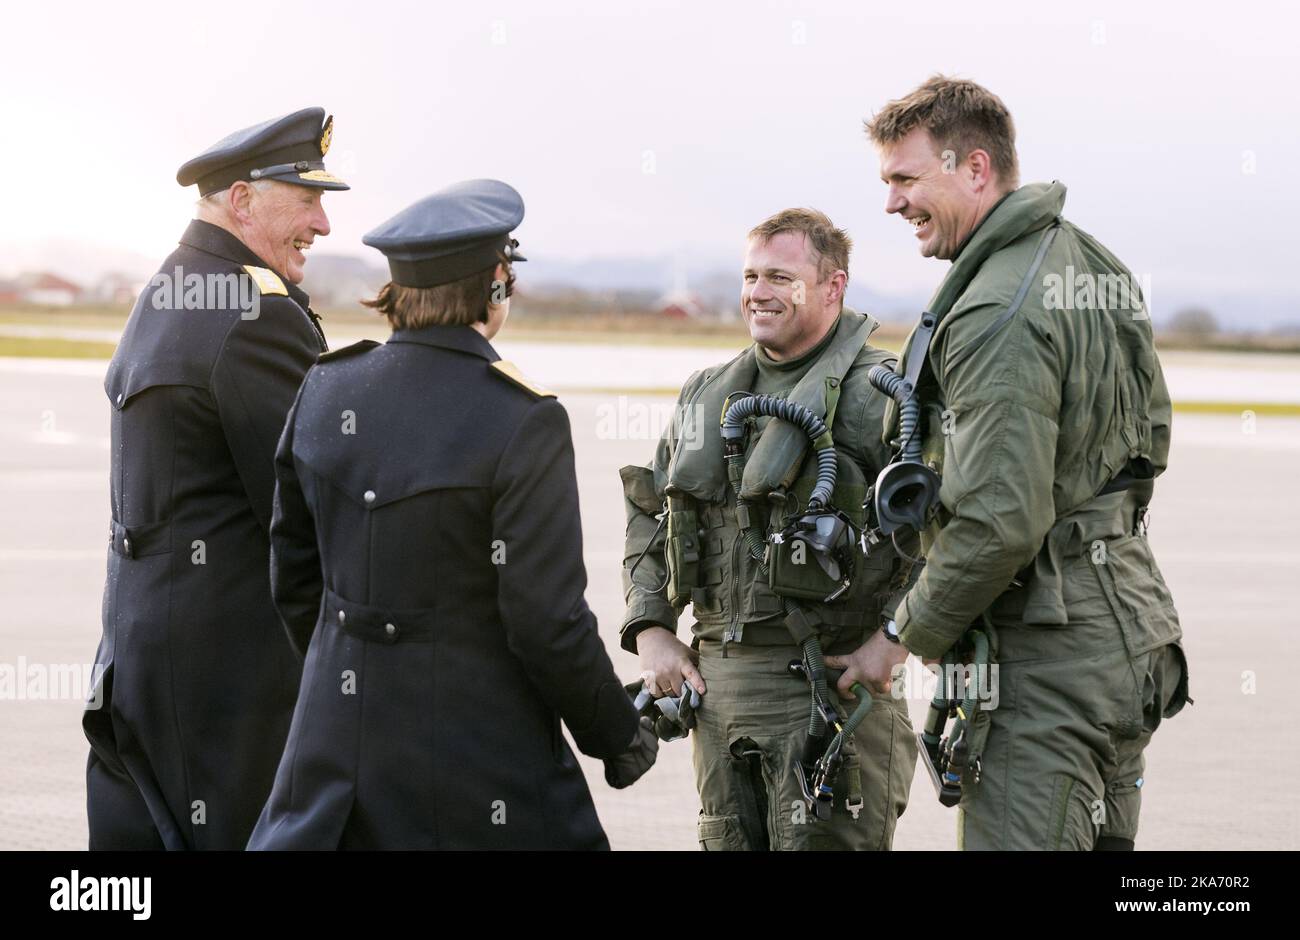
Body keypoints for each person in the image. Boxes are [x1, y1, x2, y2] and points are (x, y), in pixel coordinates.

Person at [247, 179, 657, 850]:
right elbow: (547, 622)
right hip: (476, 767)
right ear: (496, 283)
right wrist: (617, 734)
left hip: (330, 756)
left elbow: (293, 579)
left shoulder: (325, 386)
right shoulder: (523, 419)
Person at [855, 75, 1190, 850]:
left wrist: (898, 639)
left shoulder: (994, 308)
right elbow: (1147, 441)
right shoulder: (1089, 264)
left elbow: (1000, 522)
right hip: (1125, 629)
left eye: (906, 179)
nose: (892, 203)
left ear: (974, 169)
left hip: (1050, 660)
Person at [85, 107, 349, 849]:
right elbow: (313, 513)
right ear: (243, 200)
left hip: (139, 659)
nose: (324, 225)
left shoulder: (170, 289)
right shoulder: (253, 314)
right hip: (226, 690)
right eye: (308, 200)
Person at [621, 209, 917, 851]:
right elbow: (650, 510)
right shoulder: (707, 394)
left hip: (828, 694)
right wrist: (649, 629)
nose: (758, 292)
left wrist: (896, 637)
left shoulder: (884, 395)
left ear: (834, 286)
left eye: (780, 277)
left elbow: (942, 531)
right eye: (751, 275)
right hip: (720, 698)